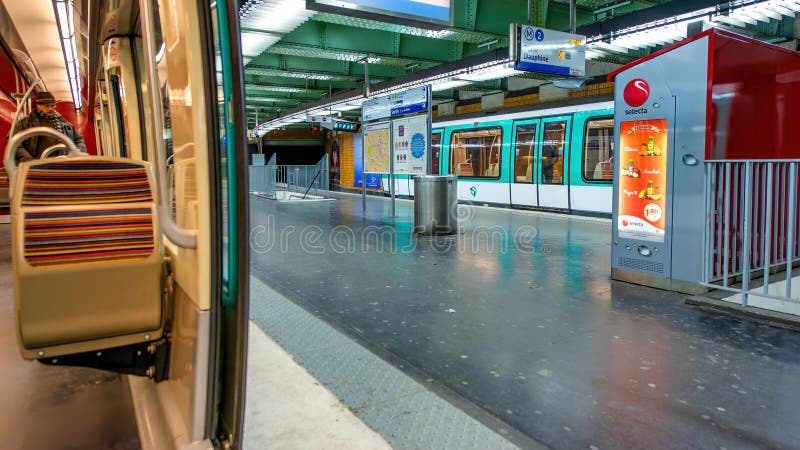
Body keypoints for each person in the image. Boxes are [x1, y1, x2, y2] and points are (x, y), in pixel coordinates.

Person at [10, 91, 87, 164]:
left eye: (52, 105)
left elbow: (78, 139)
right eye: (46, 106)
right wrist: (28, 160)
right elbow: (14, 142)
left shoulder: (64, 123)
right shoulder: (25, 123)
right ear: (38, 105)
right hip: (37, 165)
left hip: (63, 164)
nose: (50, 109)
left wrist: (77, 153)